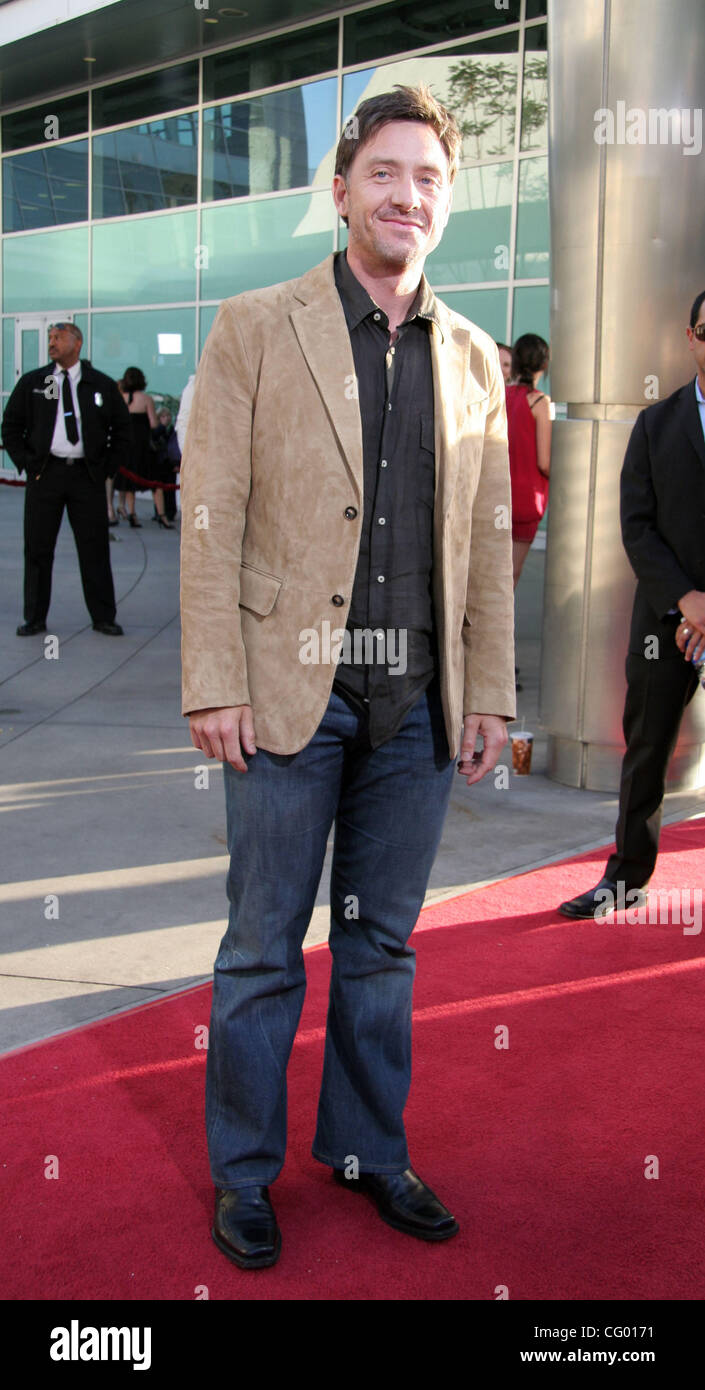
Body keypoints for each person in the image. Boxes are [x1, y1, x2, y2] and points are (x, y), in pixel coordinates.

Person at [180, 83, 516, 1270]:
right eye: (385, 172)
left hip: (415, 705)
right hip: (288, 692)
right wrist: (213, 677)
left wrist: (492, 695)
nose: (406, 195)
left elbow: (485, 547)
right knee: (263, 945)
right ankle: (243, 1174)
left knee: (381, 948)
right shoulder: (256, 326)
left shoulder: (474, 357)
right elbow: (209, 517)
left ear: (447, 201)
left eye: (428, 178)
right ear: (340, 189)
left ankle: (370, 1149)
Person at [559, 290, 705, 920]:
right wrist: (688, 599)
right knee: (646, 751)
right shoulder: (656, 424)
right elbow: (637, 526)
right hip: (666, 625)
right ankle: (624, 879)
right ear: (692, 336)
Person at [1, 321, 130, 636]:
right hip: (46, 475)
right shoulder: (36, 382)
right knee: (38, 548)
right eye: (49, 338)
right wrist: (26, 463)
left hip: (86, 477)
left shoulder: (99, 385)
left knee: (94, 548)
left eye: (58, 337)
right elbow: (11, 425)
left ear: (78, 342)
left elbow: (123, 430)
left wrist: (106, 468)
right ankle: (34, 617)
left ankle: (103, 616)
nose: (52, 342)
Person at [505, 334, 552, 590]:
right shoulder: (540, 402)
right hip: (526, 502)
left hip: (496, 497)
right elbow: (545, 461)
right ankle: (499, 630)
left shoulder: (501, 395)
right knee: (510, 576)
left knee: (490, 573)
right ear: (543, 365)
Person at [150, 407, 179, 526]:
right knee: (159, 487)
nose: (166, 418)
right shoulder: (157, 430)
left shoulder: (173, 430)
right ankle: (159, 511)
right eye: (163, 416)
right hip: (159, 462)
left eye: (168, 416)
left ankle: (170, 512)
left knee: (170, 488)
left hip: (169, 463)